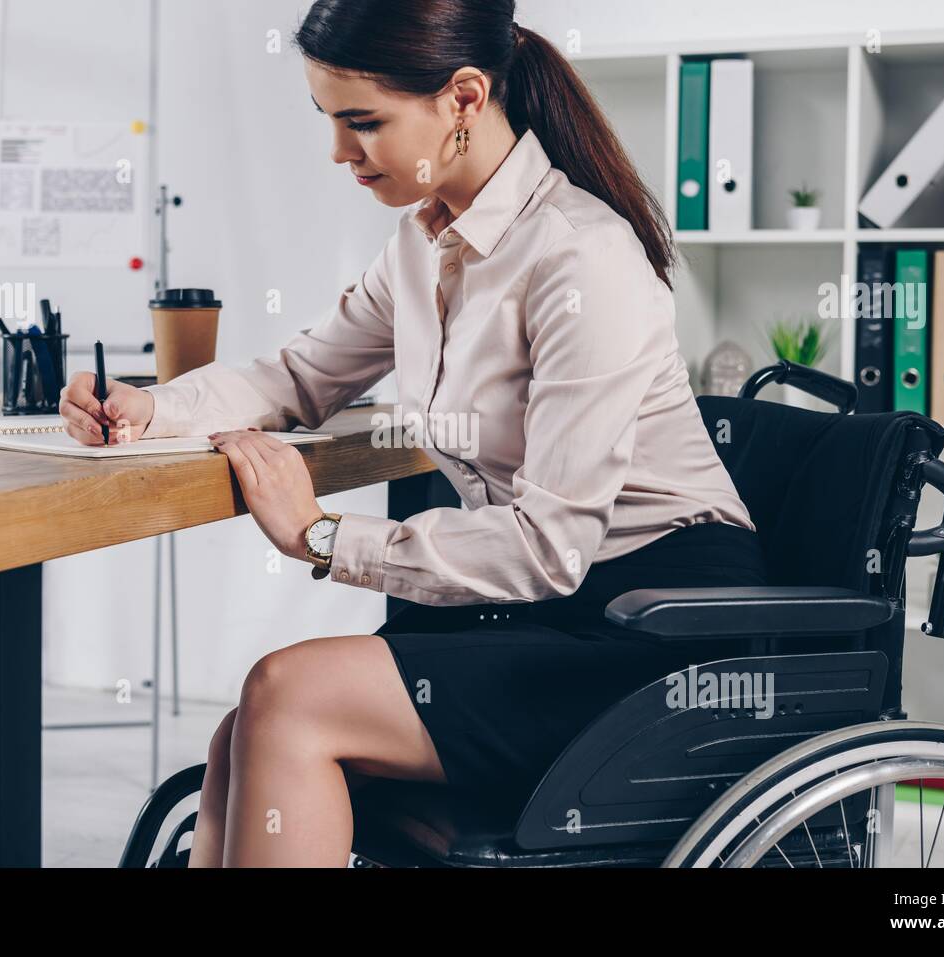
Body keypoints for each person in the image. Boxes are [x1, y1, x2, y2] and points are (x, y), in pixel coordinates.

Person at [60, 0, 767, 867]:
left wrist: (320, 533)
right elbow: (297, 375)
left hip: (652, 630)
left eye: (364, 123)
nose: (340, 153)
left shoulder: (582, 257)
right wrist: (151, 408)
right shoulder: (422, 244)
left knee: (286, 694)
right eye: (329, 121)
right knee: (243, 730)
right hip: (532, 610)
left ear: (464, 97)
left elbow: (552, 545)